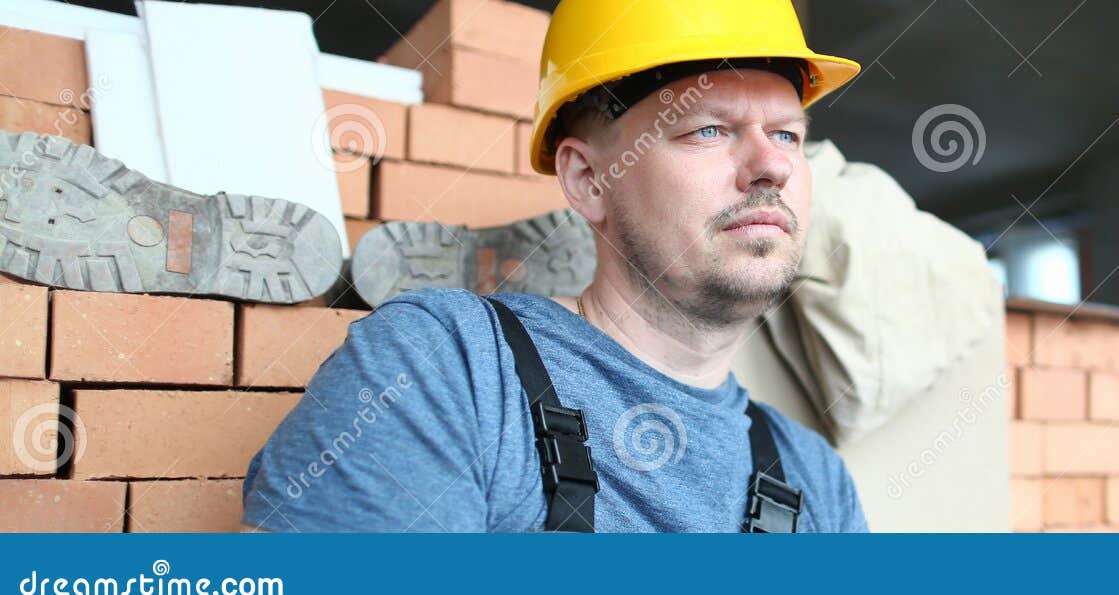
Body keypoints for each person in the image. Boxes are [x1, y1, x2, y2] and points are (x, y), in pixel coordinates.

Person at [241, 0, 869, 532]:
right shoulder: (449, 366)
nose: (774, 166)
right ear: (589, 179)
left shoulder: (815, 482)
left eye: (788, 134)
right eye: (708, 129)